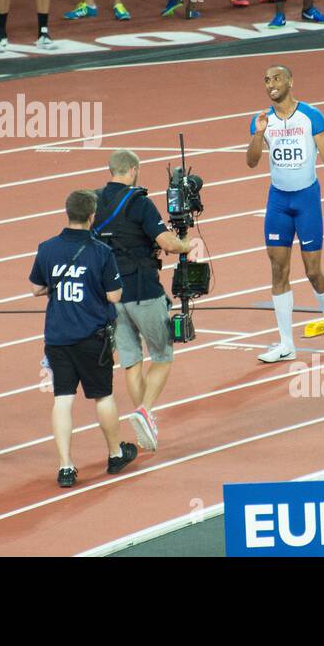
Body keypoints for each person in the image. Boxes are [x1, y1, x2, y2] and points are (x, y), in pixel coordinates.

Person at [29, 189, 137, 487]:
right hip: (93, 337)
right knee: (102, 395)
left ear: (67, 213)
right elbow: (114, 295)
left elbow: (36, 287)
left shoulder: (47, 248)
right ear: (92, 216)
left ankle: (65, 467)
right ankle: (115, 455)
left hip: (58, 337)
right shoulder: (101, 251)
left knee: (63, 399)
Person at [245, 67, 324, 364]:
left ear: (290, 81)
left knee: (313, 271)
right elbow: (252, 162)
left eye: (276, 78)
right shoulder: (262, 120)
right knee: (278, 271)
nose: (271, 84)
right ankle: (286, 343)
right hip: (278, 201)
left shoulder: (311, 116)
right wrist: (259, 133)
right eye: (266, 80)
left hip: (306, 200)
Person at [93, 151, 193, 452]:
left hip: (110, 295)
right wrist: (185, 244)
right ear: (133, 170)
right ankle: (145, 410)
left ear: (111, 171)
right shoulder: (140, 203)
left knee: (132, 362)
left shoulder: (94, 202)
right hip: (143, 290)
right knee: (163, 355)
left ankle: (144, 424)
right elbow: (165, 242)